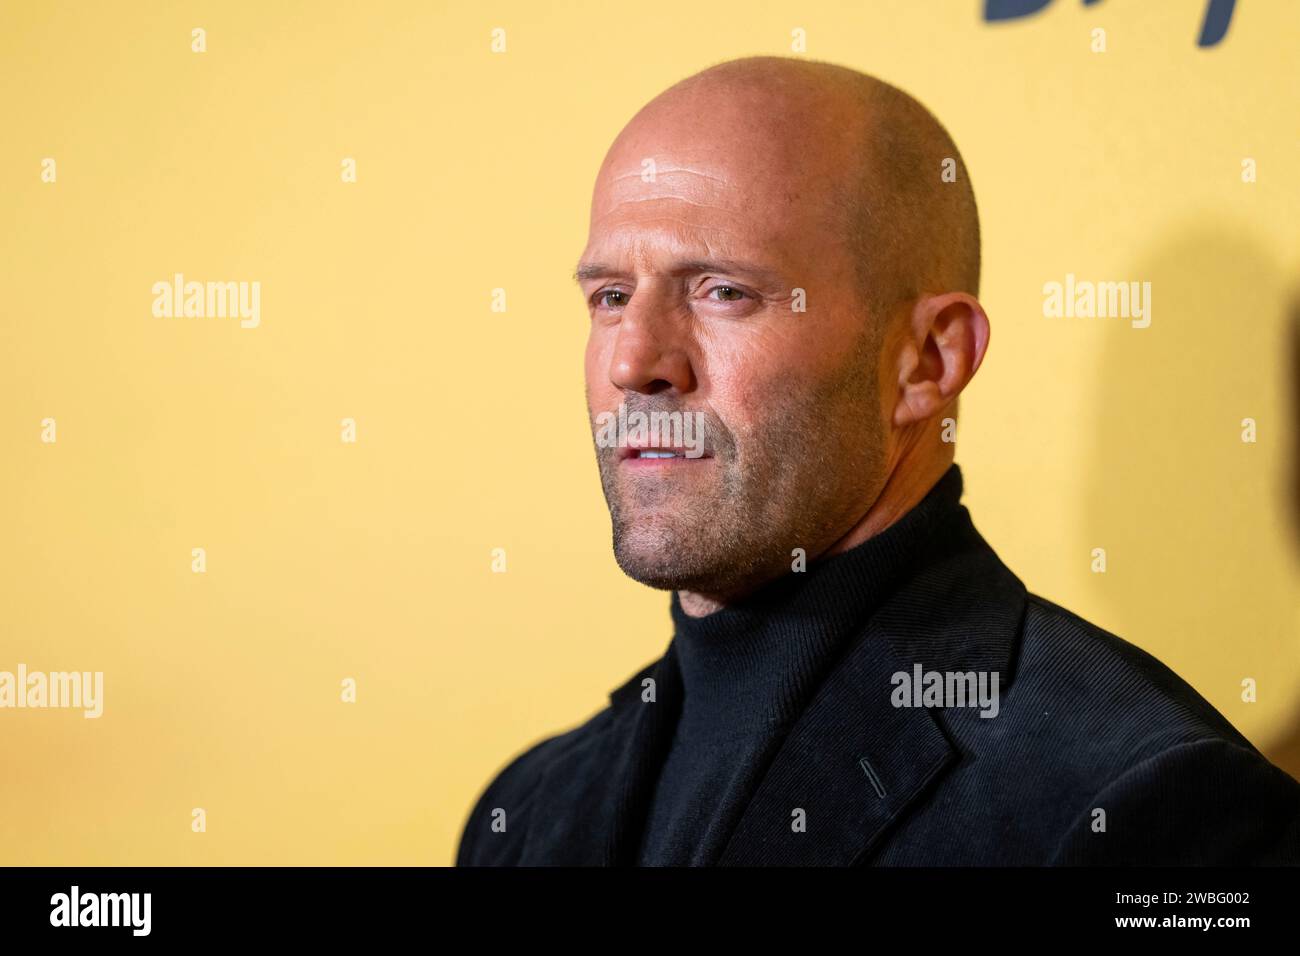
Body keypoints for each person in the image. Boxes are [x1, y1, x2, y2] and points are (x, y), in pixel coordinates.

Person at [456, 55, 1300, 865]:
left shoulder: (1148, 808)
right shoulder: (526, 812)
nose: (633, 361)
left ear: (929, 361)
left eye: (723, 291)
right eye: (610, 297)